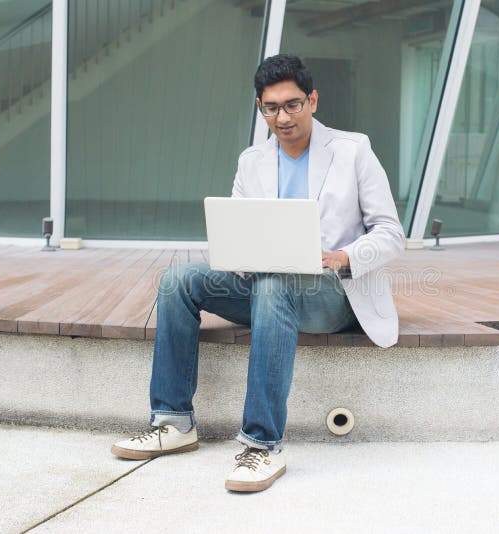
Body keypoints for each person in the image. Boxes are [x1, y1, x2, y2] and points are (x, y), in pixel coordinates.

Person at [111, 54, 404, 492]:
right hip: (268, 286)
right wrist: (243, 255)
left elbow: (391, 233)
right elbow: (236, 234)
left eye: (292, 105)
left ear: (313, 101)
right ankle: (174, 422)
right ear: (259, 107)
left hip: (334, 294)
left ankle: (262, 445)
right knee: (178, 281)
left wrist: (342, 256)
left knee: (274, 282)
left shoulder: (353, 150)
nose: (282, 118)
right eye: (271, 108)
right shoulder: (252, 160)